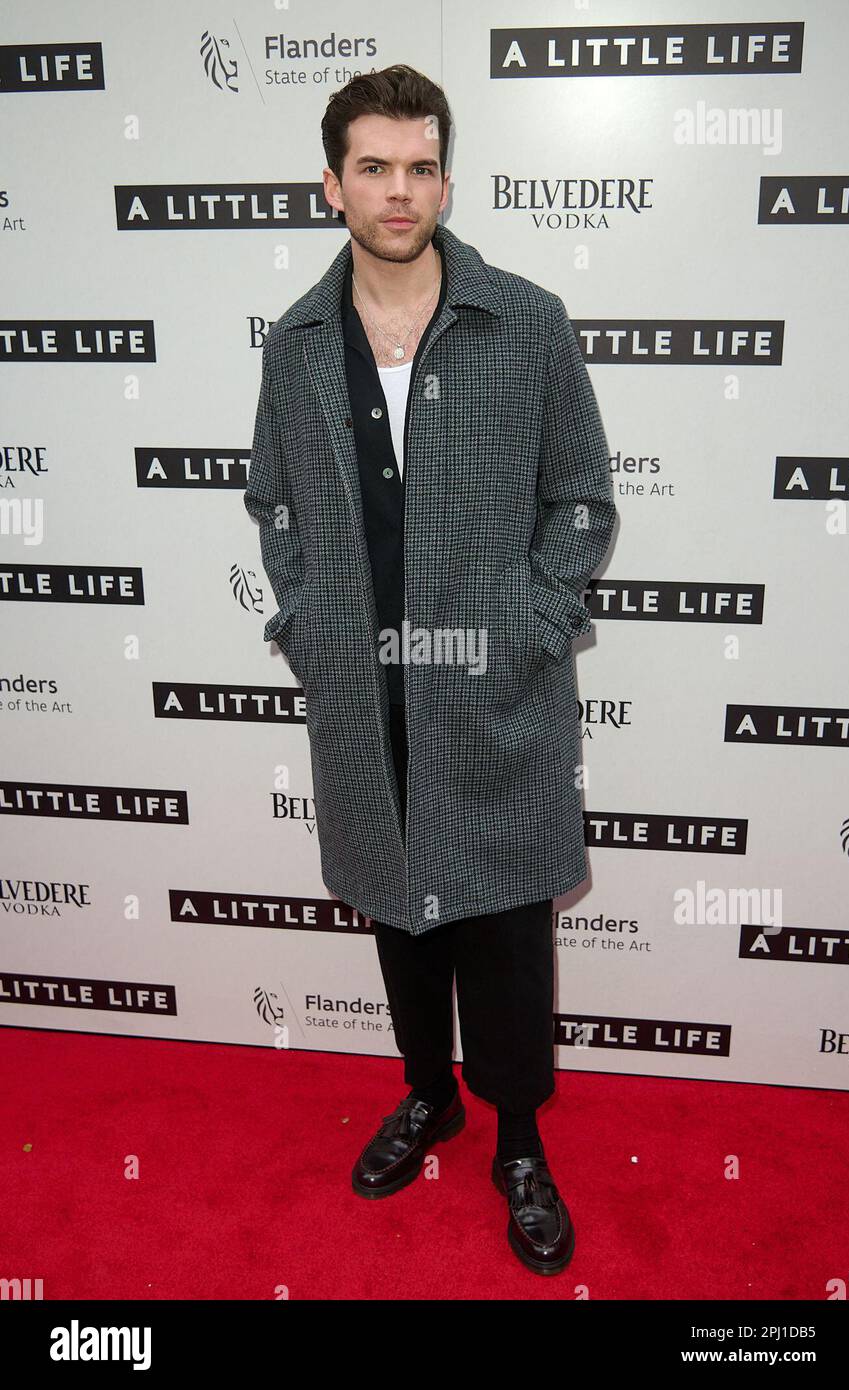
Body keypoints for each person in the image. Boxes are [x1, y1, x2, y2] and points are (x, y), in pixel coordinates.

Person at [244, 65, 617, 1276]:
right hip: (364, 691)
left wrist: (532, 621)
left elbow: (580, 500)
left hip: (492, 688)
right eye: (371, 167)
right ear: (331, 183)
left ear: (444, 177)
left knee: (505, 927)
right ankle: (428, 1095)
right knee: (399, 915)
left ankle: (514, 1137)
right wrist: (308, 625)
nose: (396, 190)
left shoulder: (526, 318)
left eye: (417, 166)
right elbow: (276, 505)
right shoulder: (298, 345)